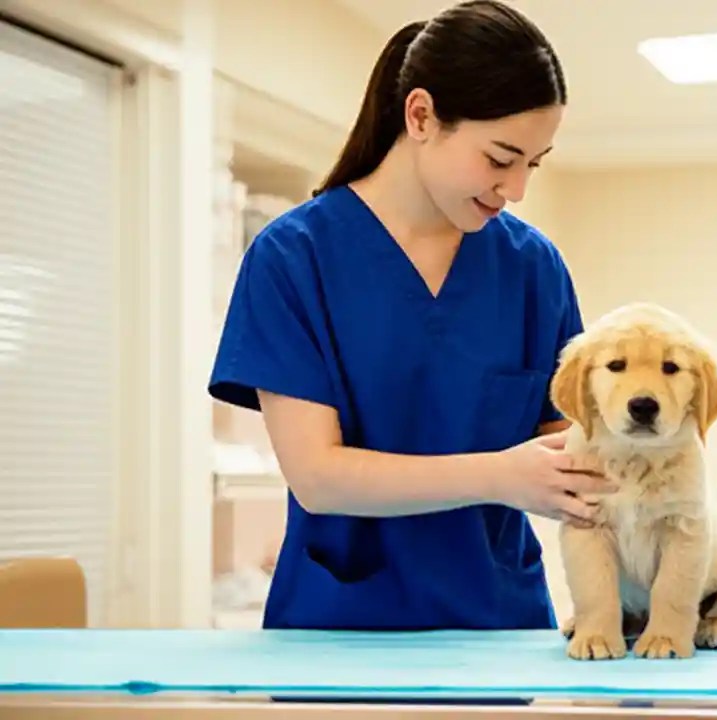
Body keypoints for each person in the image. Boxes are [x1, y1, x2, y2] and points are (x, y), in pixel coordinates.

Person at [207, 0, 613, 632]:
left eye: (533, 164)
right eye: (500, 158)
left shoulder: (533, 268)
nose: (517, 189)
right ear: (421, 115)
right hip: (344, 627)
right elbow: (318, 476)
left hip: (496, 625)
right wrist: (501, 473)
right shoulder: (295, 258)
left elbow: (568, 447)